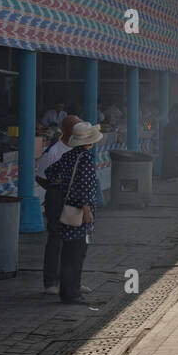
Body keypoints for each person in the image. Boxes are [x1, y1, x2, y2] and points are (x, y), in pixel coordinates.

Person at [44, 122, 102, 305]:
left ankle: (67, 290)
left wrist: (63, 188)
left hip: (67, 208)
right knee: (77, 253)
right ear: (89, 142)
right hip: (79, 212)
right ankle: (72, 293)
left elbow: (49, 172)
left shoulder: (68, 156)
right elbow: (85, 185)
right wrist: (87, 210)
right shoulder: (85, 159)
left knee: (68, 250)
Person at [35, 114, 81, 295]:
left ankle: (70, 281)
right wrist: (56, 191)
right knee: (56, 240)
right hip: (57, 198)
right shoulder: (53, 151)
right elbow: (40, 177)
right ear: (68, 130)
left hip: (74, 198)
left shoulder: (78, 148)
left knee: (74, 240)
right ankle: (51, 282)